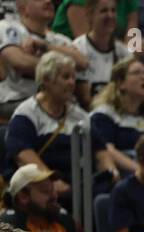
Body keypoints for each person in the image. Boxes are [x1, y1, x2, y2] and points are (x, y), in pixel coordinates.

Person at [0, 0, 87, 118]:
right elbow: (19, 61)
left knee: (84, 118)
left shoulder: (57, 40)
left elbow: (83, 62)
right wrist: (61, 66)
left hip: (48, 102)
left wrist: (45, 46)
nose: (49, 1)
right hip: (10, 102)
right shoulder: (7, 27)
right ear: (24, 8)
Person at [5, 51, 89, 185]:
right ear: (46, 80)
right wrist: (50, 181)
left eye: (74, 77)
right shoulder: (27, 113)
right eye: (66, 77)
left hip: (78, 186)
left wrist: (111, 171)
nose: (72, 83)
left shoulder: (79, 115)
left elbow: (100, 149)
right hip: (41, 185)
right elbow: (22, 154)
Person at [90, 58, 144, 186]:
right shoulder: (104, 114)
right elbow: (108, 150)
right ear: (121, 83)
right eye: (137, 73)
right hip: (125, 177)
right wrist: (140, 170)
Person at [70, 0, 126, 108]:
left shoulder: (122, 51)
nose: (110, 15)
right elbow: (86, 101)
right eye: (104, 11)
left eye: (113, 11)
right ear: (90, 15)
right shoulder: (79, 48)